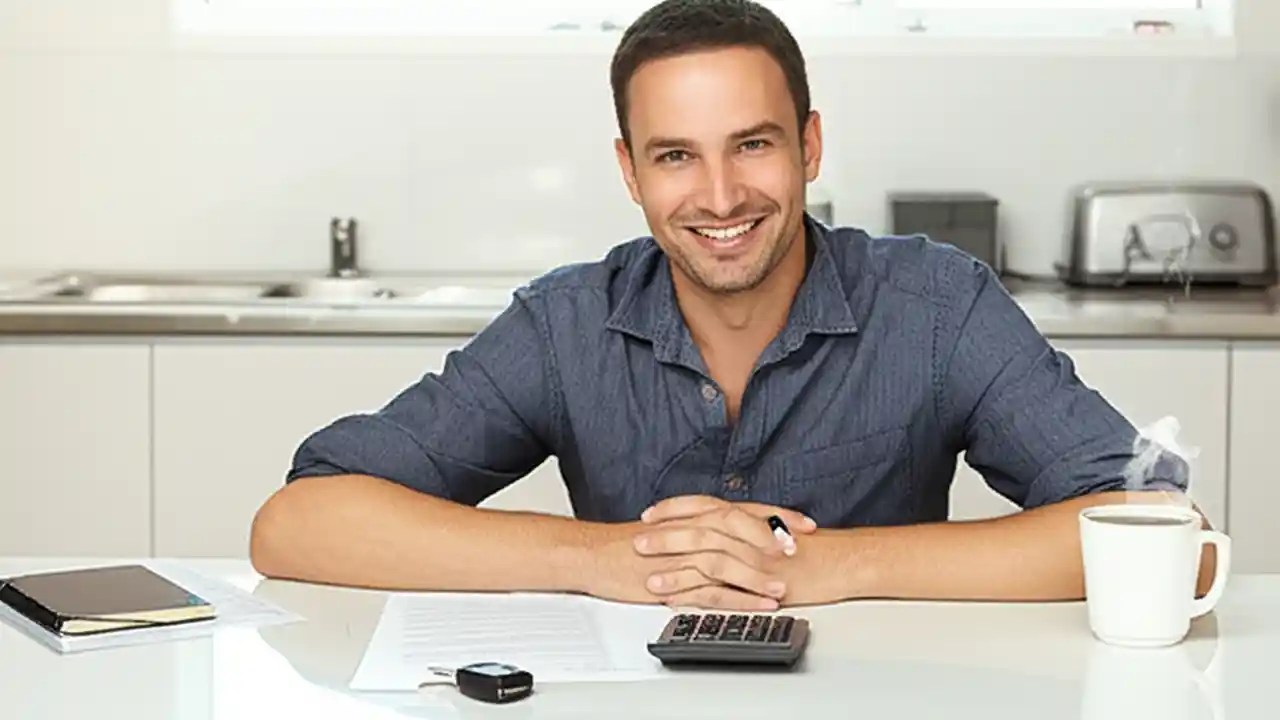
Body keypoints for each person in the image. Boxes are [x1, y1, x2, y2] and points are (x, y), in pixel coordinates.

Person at [249, 0, 1212, 610]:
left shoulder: (936, 304)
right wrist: (609, 558)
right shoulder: (567, 324)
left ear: (810, 147)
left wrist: (834, 567)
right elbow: (298, 524)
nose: (718, 196)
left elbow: (1176, 540)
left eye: (751, 145)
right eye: (676, 155)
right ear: (630, 172)